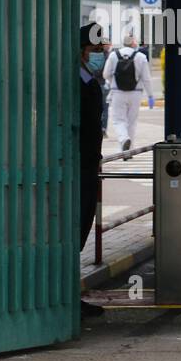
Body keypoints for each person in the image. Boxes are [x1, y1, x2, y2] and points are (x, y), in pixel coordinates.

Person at [79, 23, 108, 319]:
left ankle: (71, 294)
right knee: (72, 229)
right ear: (81, 51)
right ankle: (66, 297)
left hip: (87, 165)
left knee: (81, 229)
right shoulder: (76, 82)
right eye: (95, 50)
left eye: (102, 50)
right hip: (75, 167)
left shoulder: (89, 79)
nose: (100, 55)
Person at [103, 34, 155, 151]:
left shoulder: (113, 55)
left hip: (118, 92)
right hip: (135, 93)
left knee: (118, 120)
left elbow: (105, 74)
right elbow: (146, 78)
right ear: (133, 43)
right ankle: (129, 150)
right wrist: (150, 95)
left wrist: (113, 81)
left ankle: (123, 139)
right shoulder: (141, 57)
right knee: (132, 121)